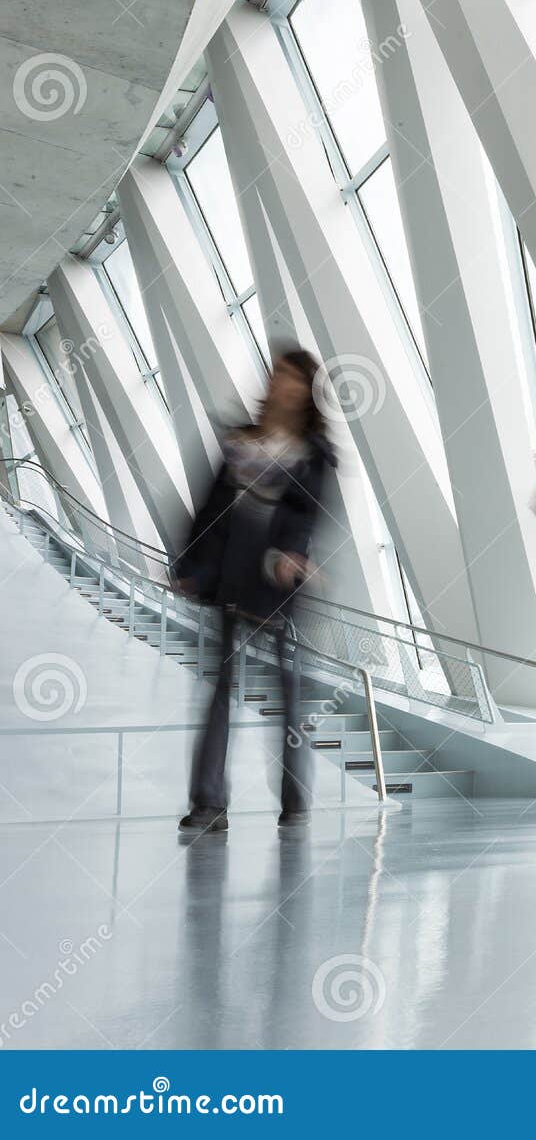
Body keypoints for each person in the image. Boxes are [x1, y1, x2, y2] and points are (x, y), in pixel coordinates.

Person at [171, 349, 335, 833]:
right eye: (278, 375)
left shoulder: (312, 455)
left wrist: (292, 553)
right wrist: (190, 565)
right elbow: (209, 509)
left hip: (276, 583)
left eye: (293, 378)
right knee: (220, 691)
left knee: (287, 694)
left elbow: (307, 514)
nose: (281, 383)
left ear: (306, 394)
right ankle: (209, 803)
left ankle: (294, 798)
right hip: (231, 577)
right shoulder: (241, 441)